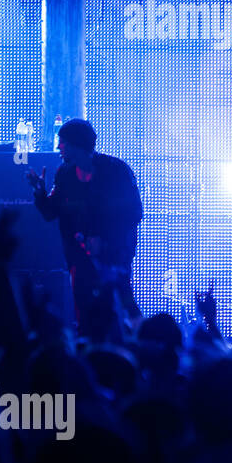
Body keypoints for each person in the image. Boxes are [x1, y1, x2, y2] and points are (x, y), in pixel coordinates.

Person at [26, 118, 143, 334]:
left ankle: (133, 349)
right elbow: (51, 212)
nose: (59, 147)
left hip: (114, 256)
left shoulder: (116, 171)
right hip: (79, 257)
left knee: (122, 302)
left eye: (62, 143)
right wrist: (40, 193)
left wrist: (104, 239)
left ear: (76, 144)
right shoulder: (65, 174)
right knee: (84, 310)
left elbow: (134, 212)